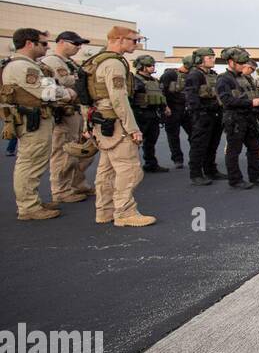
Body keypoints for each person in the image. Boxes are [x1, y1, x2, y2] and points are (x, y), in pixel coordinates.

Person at [84, 26, 155, 227]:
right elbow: (119, 99)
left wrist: (86, 124)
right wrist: (132, 128)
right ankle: (125, 212)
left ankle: (104, 211)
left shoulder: (97, 61)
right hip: (115, 122)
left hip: (101, 121)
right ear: (120, 39)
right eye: (134, 40)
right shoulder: (114, 64)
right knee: (129, 169)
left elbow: (85, 95)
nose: (137, 44)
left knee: (106, 170)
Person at [2, 28, 75, 220]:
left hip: (34, 118)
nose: (47, 47)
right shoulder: (23, 66)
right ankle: (28, 207)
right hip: (32, 120)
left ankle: (31, 201)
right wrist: (67, 94)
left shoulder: (25, 65)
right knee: (30, 162)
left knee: (35, 161)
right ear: (29, 43)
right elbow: (46, 91)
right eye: (42, 43)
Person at [40, 30, 95, 203]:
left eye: (80, 44)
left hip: (76, 111)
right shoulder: (51, 62)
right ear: (62, 42)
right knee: (64, 153)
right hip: (63, 113)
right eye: (75, 44)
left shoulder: (69, 62)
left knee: (83, 150)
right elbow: (68, 83)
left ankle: (77, 183)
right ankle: (61, 190)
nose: (79, 47)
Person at [215, 47, 259, 189]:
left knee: (254, 148)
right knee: (234, 151)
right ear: (231, 62)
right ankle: (235, 180)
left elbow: (254, 95)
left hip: (250, 118)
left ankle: (256, 176)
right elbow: (226, 101)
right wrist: (250, 102)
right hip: (235, 119)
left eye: (244, 62)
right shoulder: (223, 79)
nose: (243, 65)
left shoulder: (246, 78)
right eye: (240, 63)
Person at [185, 46, 225, 186]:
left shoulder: (212, 74)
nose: (212, 59)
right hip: (202, 115)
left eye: (213, 57)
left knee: (213, 144)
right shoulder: (195, 75)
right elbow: (191, 96)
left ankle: (210, 170)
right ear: (200, 60)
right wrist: (199, 112)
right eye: (209, 57)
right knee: (199, 145)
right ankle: (196, 174)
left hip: (215, 113)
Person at [130, 54, 170, 172]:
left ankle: (150, 163)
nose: (152, 67)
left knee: (151, 141)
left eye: (153, 65)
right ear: (140, 66)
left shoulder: (154, 81)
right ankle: (131, 167)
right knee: (135, 142)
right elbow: (130, 98)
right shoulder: (134, 80)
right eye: (149, 65)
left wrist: (165, 107)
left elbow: (160, 96)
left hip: (153, 113)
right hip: (140, 114)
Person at [158, 57, 192, 168]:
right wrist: (165, 107)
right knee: (173, 136)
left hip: (187, 110)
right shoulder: (170, 75)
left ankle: (195, 158)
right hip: (172, 110)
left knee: (194, 134)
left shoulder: (192, 75)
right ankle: (178, 159)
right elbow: (161, 92)